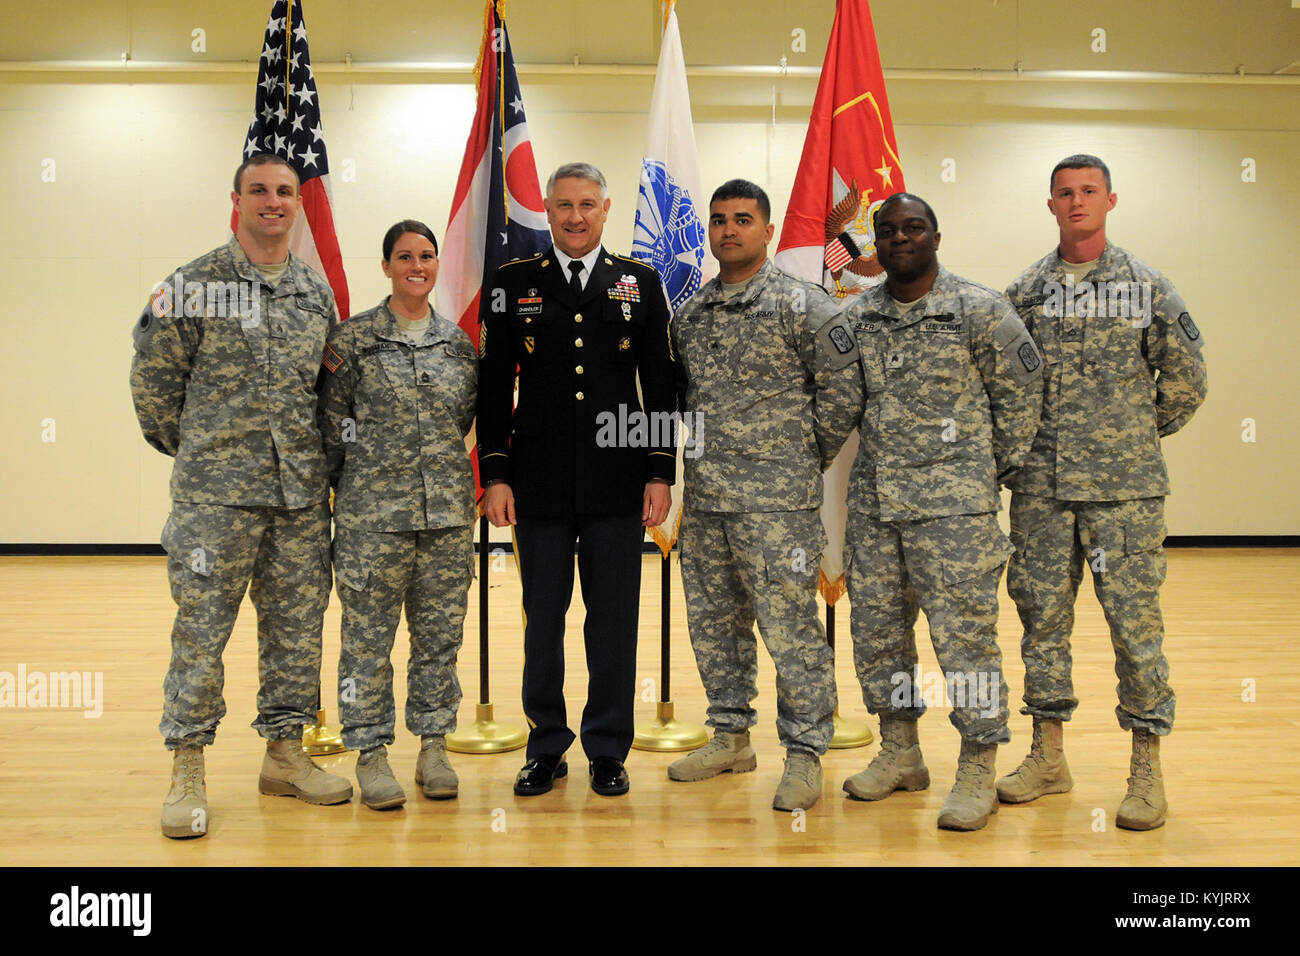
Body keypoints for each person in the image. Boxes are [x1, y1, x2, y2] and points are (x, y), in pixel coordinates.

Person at [131, 153, 352, 840]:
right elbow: (153, 386)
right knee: (201, 633)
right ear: (237, 200)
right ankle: (188, 767)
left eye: (285, 191)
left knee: (295, 630)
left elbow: (328, 397)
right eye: (259, 190)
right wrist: (202, 452)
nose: (273, 202)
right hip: (215, 500)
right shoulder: (192, 285)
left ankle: (284, 755)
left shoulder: (314, 294)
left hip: (297, 499)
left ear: (297, 204)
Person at [1000, 155, 1208, 830]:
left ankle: (1146, 767)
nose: (1077, 200)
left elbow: (1185, 381)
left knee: (1135, 628)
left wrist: (1131, 440)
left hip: (1124, 496)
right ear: (1051, 204)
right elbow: (1001, 384)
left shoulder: (1147, 287)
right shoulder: (1024, 293)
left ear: (1111, 201)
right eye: (1066, 192)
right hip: (1041, 492)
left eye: (1089, 190)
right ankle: (1048, 756)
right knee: (1041, 625)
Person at [839, 193, 1043, 831]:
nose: (900, 238)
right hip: (876, 509)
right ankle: (900, 752)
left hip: (955, 515)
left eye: (913, 227)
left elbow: (1023, 397)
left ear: (935, 235)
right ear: (875, 242)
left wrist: (983, 472)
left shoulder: (980, 308)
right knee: (878, 637)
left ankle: (979, 764)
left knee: (965, 643)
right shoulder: (860, 317)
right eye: (888, 230)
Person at [476, 162, 676, 797]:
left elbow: (661, 387)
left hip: (618, 480)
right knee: (544, 615)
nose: (575, 216)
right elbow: (491, 385)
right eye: (563, 205)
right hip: (536, 482)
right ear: (549, 208)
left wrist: (660, 471)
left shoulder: (639, 283)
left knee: (613, 618)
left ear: (606, 208)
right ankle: (546, 745)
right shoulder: (512, 282)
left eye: (587, 204)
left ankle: (608, 748)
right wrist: (496, 473)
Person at [666, 179, 862, 812]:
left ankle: (805, 752)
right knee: (715, 626)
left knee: (791, 630)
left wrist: (799, 460)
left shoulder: (804, 305)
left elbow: (841, 396)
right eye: (719, 220)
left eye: (743, 219)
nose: (729, 230)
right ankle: (730, 735)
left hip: (779, 507)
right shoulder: (690, 316)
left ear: (768, 230)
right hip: (707, 501)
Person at [316, 220, 476, 810]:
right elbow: (332, 429)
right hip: (371, 524)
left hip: (446, 523)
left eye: (427, 256)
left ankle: (433, 746)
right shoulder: (352, 342)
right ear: (386, 266)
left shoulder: (459, 346)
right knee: (366, 641)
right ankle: (371, 752)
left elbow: (458, 423)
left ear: (436, 266)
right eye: (404, 256)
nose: (417, 265)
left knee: (439, 640)